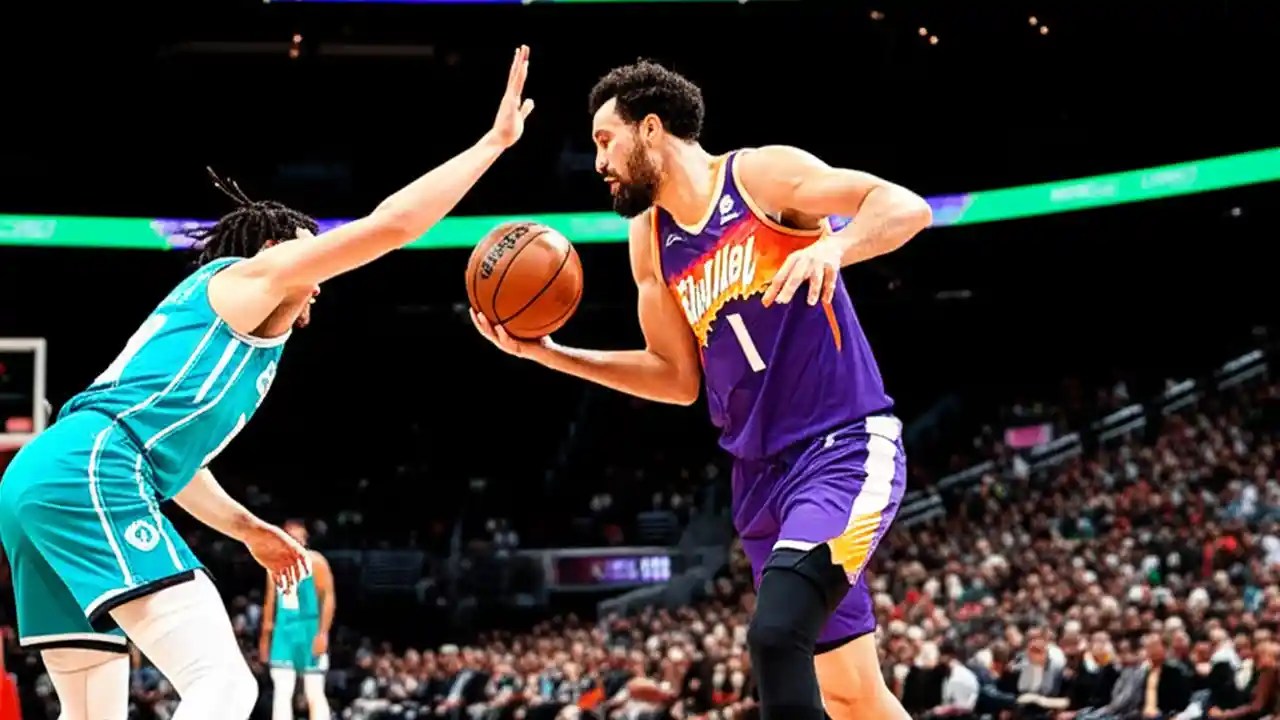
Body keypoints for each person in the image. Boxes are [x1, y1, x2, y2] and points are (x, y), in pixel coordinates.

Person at [0, 45, 536, 720]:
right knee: (225, 686)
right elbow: (393, 226)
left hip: (42, 477)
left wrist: (249, 528)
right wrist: (493, 144)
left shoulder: (224, 330)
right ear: (279, 249)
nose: (319, 281)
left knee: (91, 714)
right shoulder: (252, 277)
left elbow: (176, 468)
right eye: (312, 254)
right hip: (90, 468)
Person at [470, 59, 931, 720]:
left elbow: (904, 207)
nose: (598, 161)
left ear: (650, 128)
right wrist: (549, 354)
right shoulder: (650, 240)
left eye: (605, 140)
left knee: (776, 637)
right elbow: (676, 378)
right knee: (852, 694)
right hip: (759, 480)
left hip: (842, 450)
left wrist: (837, 247)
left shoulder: (758, 176)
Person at [261, 520, 335, 720]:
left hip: (310, 630)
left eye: (297, 537)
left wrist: (323, 633)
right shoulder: (273, 564)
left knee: (314, 690)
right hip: (283, 632)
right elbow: (270, 604)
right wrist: (265, 638)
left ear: (305, 539)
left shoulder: (317, 562)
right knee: (282, 690)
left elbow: (328, 599)